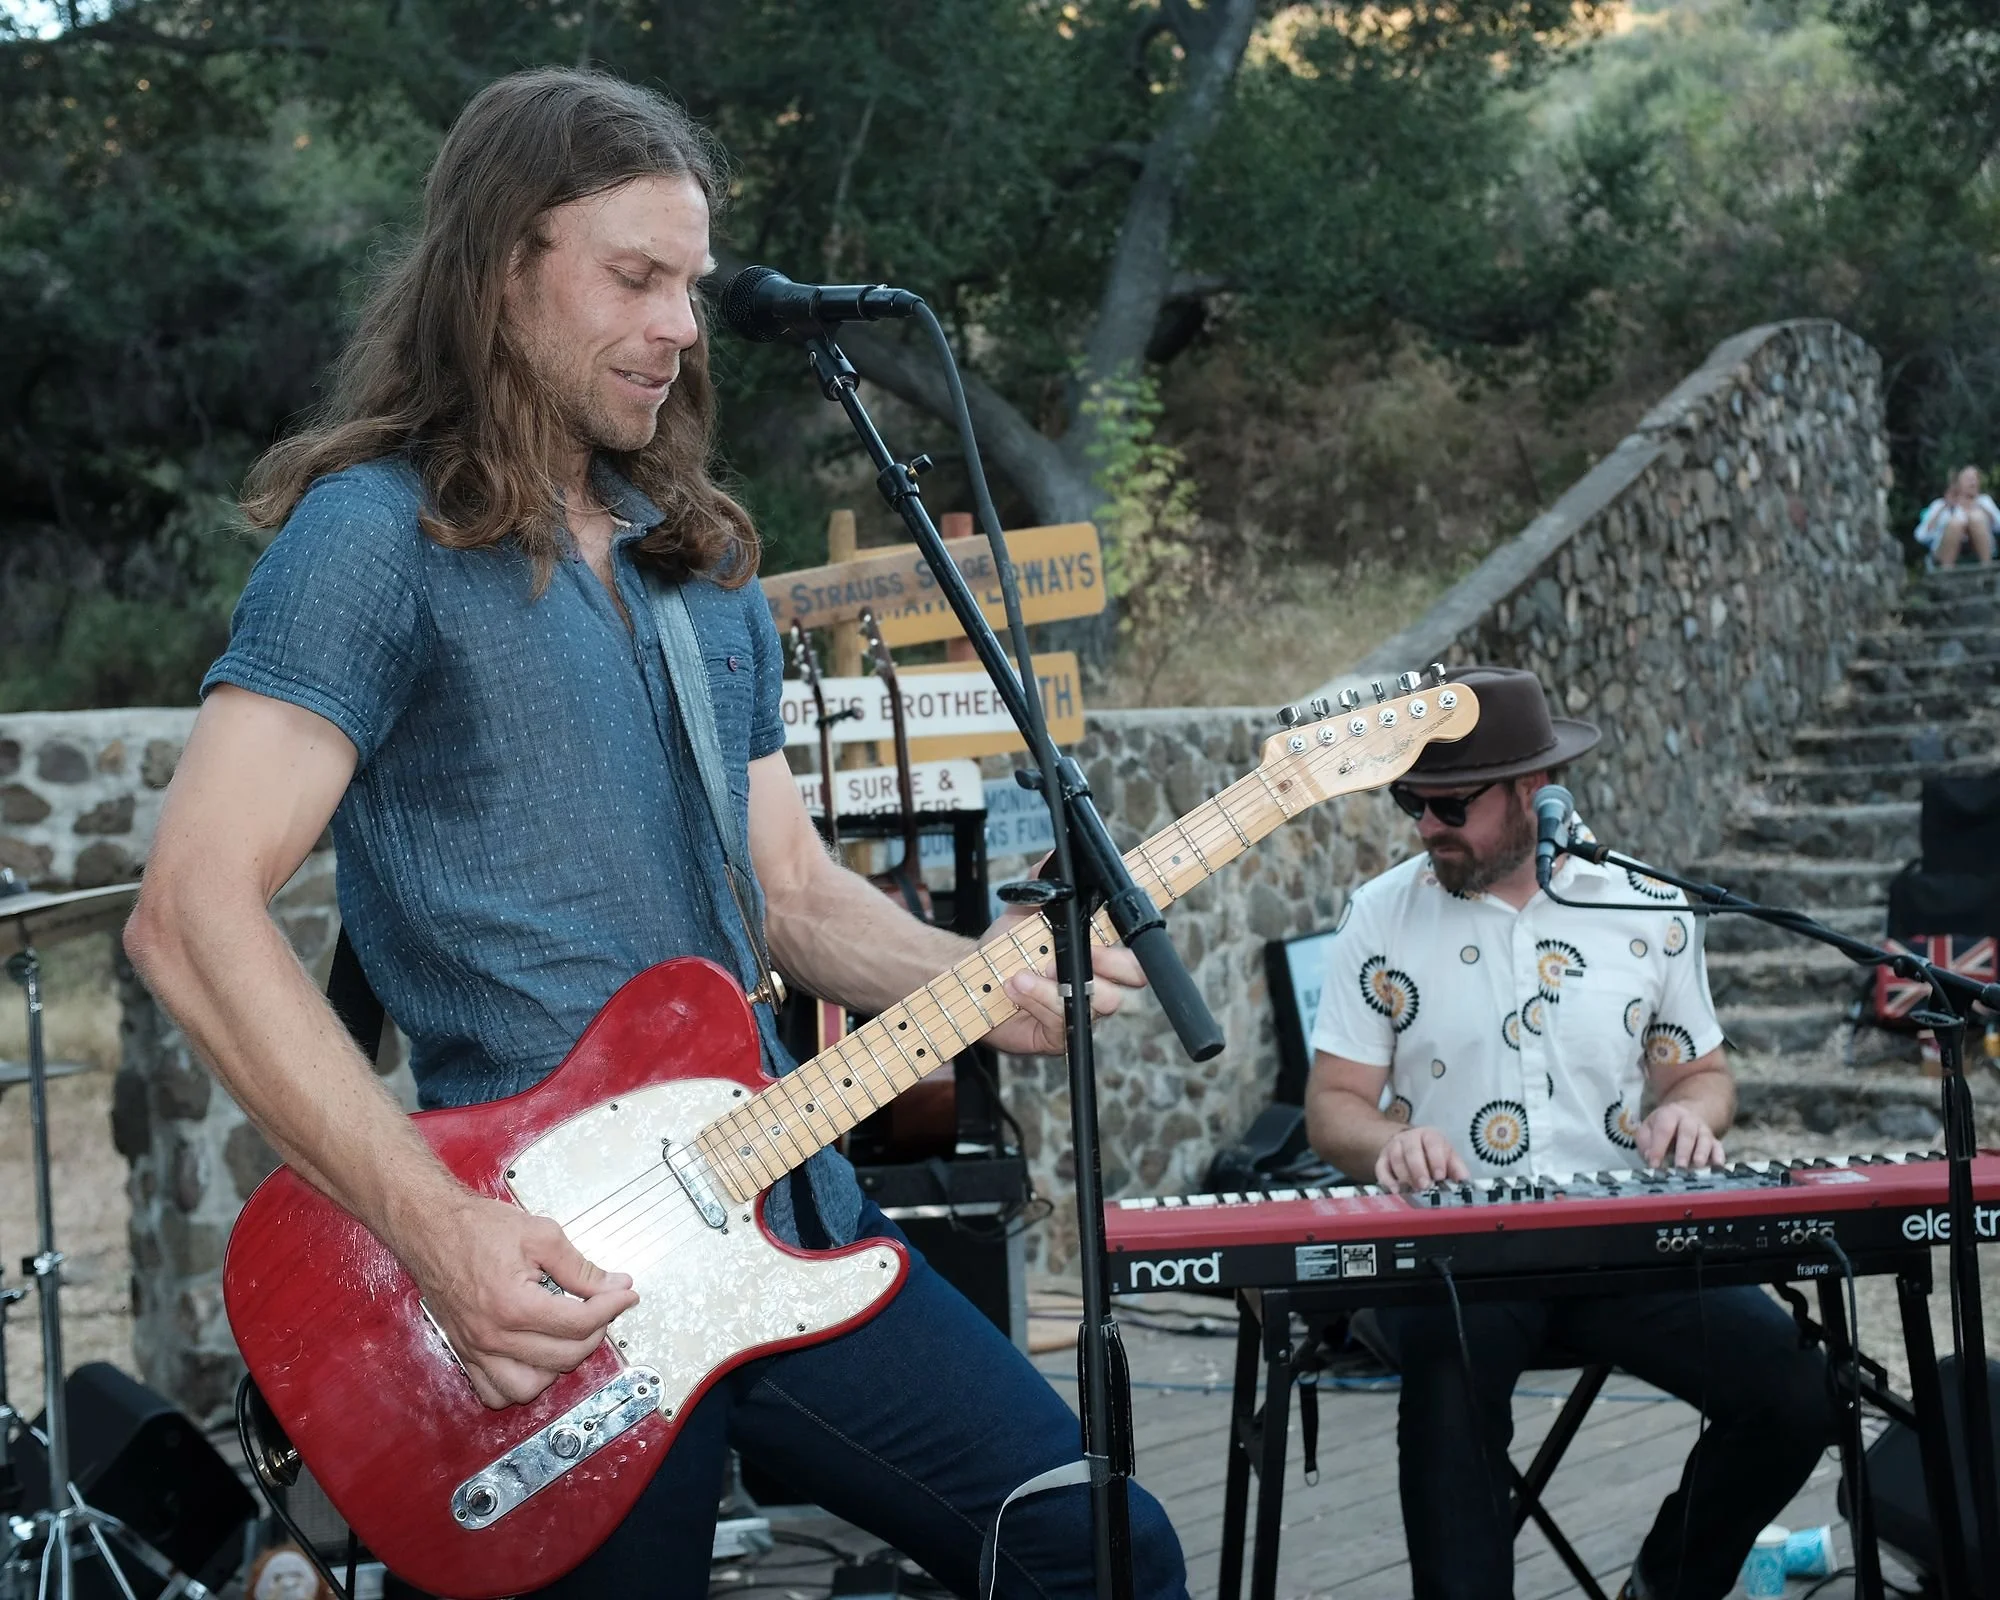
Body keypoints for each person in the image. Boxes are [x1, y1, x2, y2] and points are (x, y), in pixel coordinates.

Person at [123, 68, 1189, 1600]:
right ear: (501, 274)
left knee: (1097, 1549)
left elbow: (790, 893)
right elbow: (190, 912)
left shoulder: (704, 572)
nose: (684, 326)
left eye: (689, 284)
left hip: (788, 1215)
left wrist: (975, 973)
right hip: (540, 1276)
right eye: (634, 278)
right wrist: (435, 1234)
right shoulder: (374, 541)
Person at [1303, 665, 1833, 1600]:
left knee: (1797, 1392)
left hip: (1624, 1241)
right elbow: (1333, 1103)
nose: (1425, 826)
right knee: (1449, 1392)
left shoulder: (1644, 907)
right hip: (1457, 1252)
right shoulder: (1381, 915)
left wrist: (1686, 1114)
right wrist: (1386, 1143)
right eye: (1409, 803)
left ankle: (1666, 1585)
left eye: (1449, 805)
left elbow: (1702, 1077)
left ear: (1532, 794)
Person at [1913, 464, 1998, 568]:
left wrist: (1981, 508)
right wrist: (1943, 509)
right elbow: (1921, 536)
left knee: (1976, 518)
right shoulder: (1940, 505)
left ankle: (1987, 569)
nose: (1973, 482)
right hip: (1943, 552)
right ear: (1957, 482)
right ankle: (1947, 573)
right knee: (1956, 524)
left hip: (1977, 550)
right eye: (1969, 479)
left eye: (1976, 479)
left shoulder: (1985, 501)